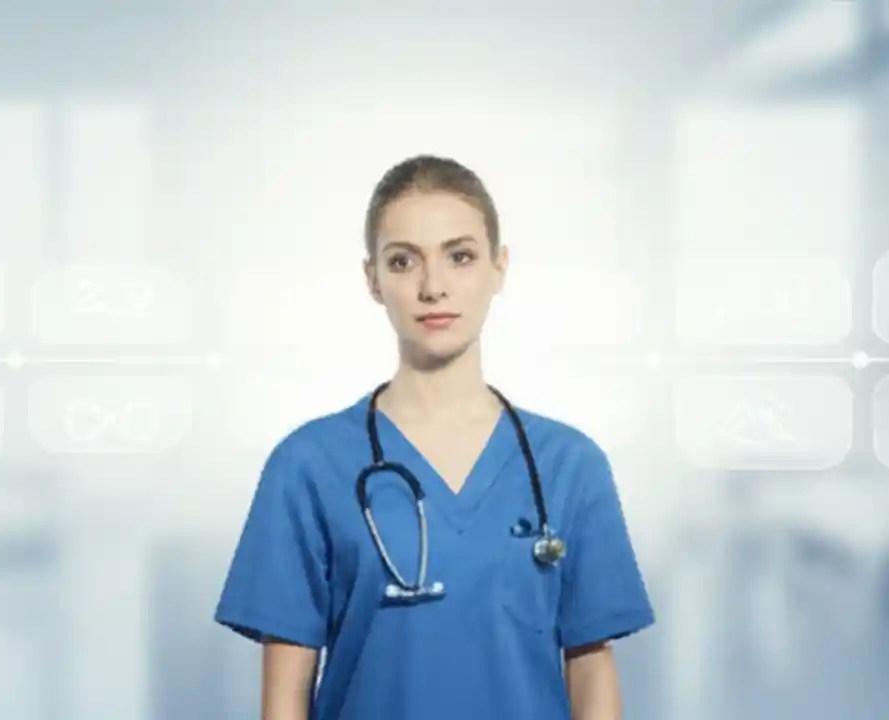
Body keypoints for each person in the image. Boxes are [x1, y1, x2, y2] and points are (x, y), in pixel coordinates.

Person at [215, 154, 655, 719]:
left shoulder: (569, 465)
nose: (433, 287)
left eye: (460, 257)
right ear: (372, 279)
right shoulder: (307, 466)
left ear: (499, 268)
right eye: (403, 262)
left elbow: (592, 669)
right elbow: (283, 700)